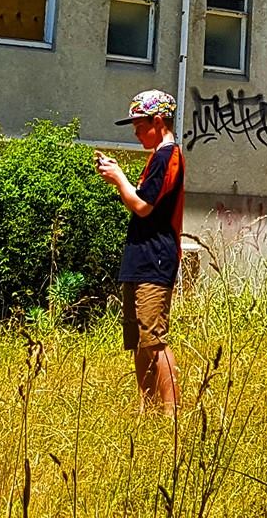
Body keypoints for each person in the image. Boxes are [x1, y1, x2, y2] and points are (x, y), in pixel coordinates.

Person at [95, 89, 185, 412]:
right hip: (139, 260)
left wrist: (119, 178)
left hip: (155, 262)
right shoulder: (157, 157)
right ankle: (147, 410)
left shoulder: (167, 156)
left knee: (154, 339)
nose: (135, 131)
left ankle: (171, 414)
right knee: (138, 342)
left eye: (139, 124)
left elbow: (143, 205)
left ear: (158, 121)